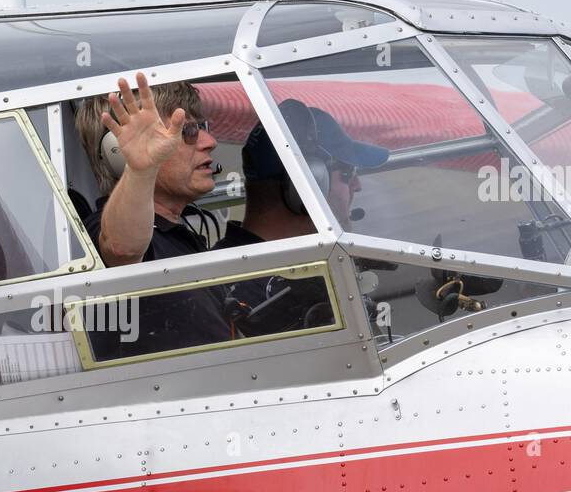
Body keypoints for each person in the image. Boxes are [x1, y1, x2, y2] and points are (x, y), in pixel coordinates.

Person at [74, 72, 229, 358]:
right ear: (117, 153)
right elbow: (121, 248)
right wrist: (141, 168)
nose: (209, 141)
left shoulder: (179, 236)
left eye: (203, 127)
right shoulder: (108, 230)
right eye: (188, 131)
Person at [216, 100, 389, 337]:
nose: (357, 186)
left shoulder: (313, 268)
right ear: (310, 181)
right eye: (348, 173)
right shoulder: (226, 290)